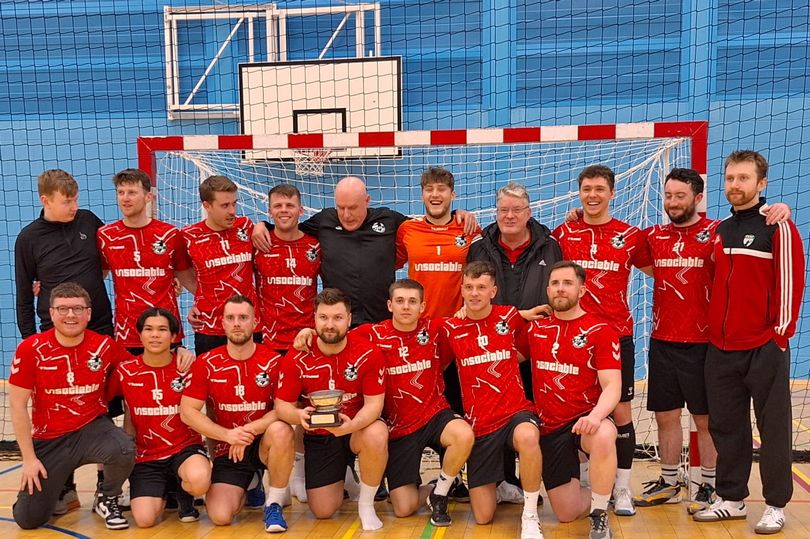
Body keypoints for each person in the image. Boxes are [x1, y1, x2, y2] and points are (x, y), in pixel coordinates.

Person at [693, 151, 805, 535]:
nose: (734, 186)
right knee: (727, 427)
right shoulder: (719, 230)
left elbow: (791, 283)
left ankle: (774, 505)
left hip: (764, 346)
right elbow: (710, 284)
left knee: (773, 428)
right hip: (721, 349)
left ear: (762, 184)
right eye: (729, 178)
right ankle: (731, 498)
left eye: (743, 178)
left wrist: (779, 336)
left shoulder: (779, 227)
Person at [552, 165, 651, 516]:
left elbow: (662, 268)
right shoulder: (564, 232)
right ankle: (585, 481)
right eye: (586, 189)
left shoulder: (631, 235)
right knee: (578, 410)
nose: (592, 195)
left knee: (620, 412)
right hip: (574, 337)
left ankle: (622, 489)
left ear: (612, 193)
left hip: (616, 334)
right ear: (578, 193)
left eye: (599, 189)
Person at [254, 175, 478, 326]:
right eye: (341, 208)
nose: (347, 215)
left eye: (353, 208)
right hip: (338, 323)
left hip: (382, 322)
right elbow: (289, 228)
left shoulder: (389, 219)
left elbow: (428, 227)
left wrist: (457, 214)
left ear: (367, 201)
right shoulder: (324, 220)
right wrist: (263, 225)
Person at [9, 282, 134, 530]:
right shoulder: (30, 349)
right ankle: (57, 492)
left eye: (77, 308)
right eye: (63, 309)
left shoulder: (105, 346)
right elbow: (17, 406)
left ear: (88, 313)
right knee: (28, 519)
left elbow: (140, 370)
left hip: (92, 428)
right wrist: (29, 459)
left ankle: (106, 496)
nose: (70, 315)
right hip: (50, 438)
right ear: (51, 313)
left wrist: (180, 356)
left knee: (123, 448)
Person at [467, 181, 562, 503]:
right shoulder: (479, 247)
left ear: (529, 213)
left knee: (536, 417)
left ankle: (540, 481)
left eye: (516, 210)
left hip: (536, 350)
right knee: (496, 413)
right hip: (493, 351)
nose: (509, 216)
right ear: (496, 212)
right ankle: (504, 481)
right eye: (503, 210)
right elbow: (476, 297)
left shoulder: (550, 246)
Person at [441, 261, 544, 539]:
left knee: (528, 437)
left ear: (493, 291)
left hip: (514, 413)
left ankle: (531, 515)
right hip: (480, 424)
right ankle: (499, 486)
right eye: (470, 287)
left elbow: (526, 346)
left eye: (481, 288)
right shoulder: (450, 328)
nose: (475, 293)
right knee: (484, 518)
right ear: (461, 290)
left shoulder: (508, 316)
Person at [395, 167, 480, 502]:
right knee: (413, 405)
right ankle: (407, 476)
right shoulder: (407, 230)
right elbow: (386, 261)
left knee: (458, 407)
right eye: (429, 189)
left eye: (442, 189)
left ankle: (454, 479)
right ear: (421, 194)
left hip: (458, 335)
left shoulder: (469, 229)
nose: (435, 195)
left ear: (452, 195)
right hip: (419, 338)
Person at [275, 288, 388, 531]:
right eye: (323, 317)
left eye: (337, 318)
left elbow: (374, 406)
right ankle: (343, 474)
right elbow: (281, 406)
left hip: (356, 430)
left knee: (377, 432)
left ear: (349, 319)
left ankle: (366, 504)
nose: (330, 324)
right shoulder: (298, 355)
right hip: (320, 437)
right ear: (313, 319)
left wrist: (350, 426)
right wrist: (298, 415)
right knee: (324, 511)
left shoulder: (367, 352)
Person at [180, 295, 294, 532]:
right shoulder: (206, 363)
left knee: (282, 430)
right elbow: (188, 412)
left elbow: (283, 408)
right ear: (222, 323)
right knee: (220, 516)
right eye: (230, 318)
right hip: (229, 448)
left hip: (264, 442)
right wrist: (227, 435)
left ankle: (274, 503)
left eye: (243, 317)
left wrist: (248, 430)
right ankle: (251, 485)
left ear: (255, 322)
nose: (237, 323)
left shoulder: (274, 361)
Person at [365, 279, 474, 525]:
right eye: (400, 301)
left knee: (463, 434)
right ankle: (438, 485)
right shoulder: (372, 334)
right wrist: (308, 332)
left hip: (434, 414)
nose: (406, 307)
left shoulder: (435, 328)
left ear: (422, 306)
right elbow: (336, 338)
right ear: (390, 305)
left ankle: (441, 493)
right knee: (404, 508)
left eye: (412, 301)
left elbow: (482, 319)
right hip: (399, 427)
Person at [528, 261, 622, 539]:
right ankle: (602, 487)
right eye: (555, 283)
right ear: (547, 289)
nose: (560, 289)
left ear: (582, 289)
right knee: (566, 514)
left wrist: (595, 416)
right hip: (550, 427)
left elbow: (613, 386)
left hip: (584, 420)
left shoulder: (600, 330)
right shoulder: (535, 330)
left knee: (605, 433)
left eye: (567, 283)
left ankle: (600, 514)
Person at [107, 308, 211, 527]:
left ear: (173, 337)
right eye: (149, 329)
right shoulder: (125, 371)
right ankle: (166, 487)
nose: (155, 335)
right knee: (144, 520)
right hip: (146, 456)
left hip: (185, 448)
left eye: (162, 330)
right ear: (140, 335)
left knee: (199, 481)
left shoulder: (189, 368)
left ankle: (185, 493)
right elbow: (110, 408)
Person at [97, 168, 195, 351]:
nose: (125, 198)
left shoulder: (170, 234)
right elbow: (95, 277)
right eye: (121, 192)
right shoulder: (105, 236)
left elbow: (188, 278)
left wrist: (203, 303)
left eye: (132, 193)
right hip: (127, 334)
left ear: (148, 197)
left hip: (166, 331)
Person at [15, 169, 114, 340]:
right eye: (67, 202)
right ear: (45, 201)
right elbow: (24, 295)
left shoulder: (88, 220)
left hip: (99, 326)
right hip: (55, 330)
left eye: (76, 200)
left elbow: (115, 255)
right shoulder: (29, 238)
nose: (74, 207)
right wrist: (29, 340)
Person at [181, 175, 260, 355]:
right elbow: (181, 271)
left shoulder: (246, 227)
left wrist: (262, 224)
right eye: (225, 205)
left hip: (249, 326)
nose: (232, 211)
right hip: (210, 328)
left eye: (234, 203)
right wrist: (202, 295)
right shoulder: (188, 236)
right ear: (207, 206)